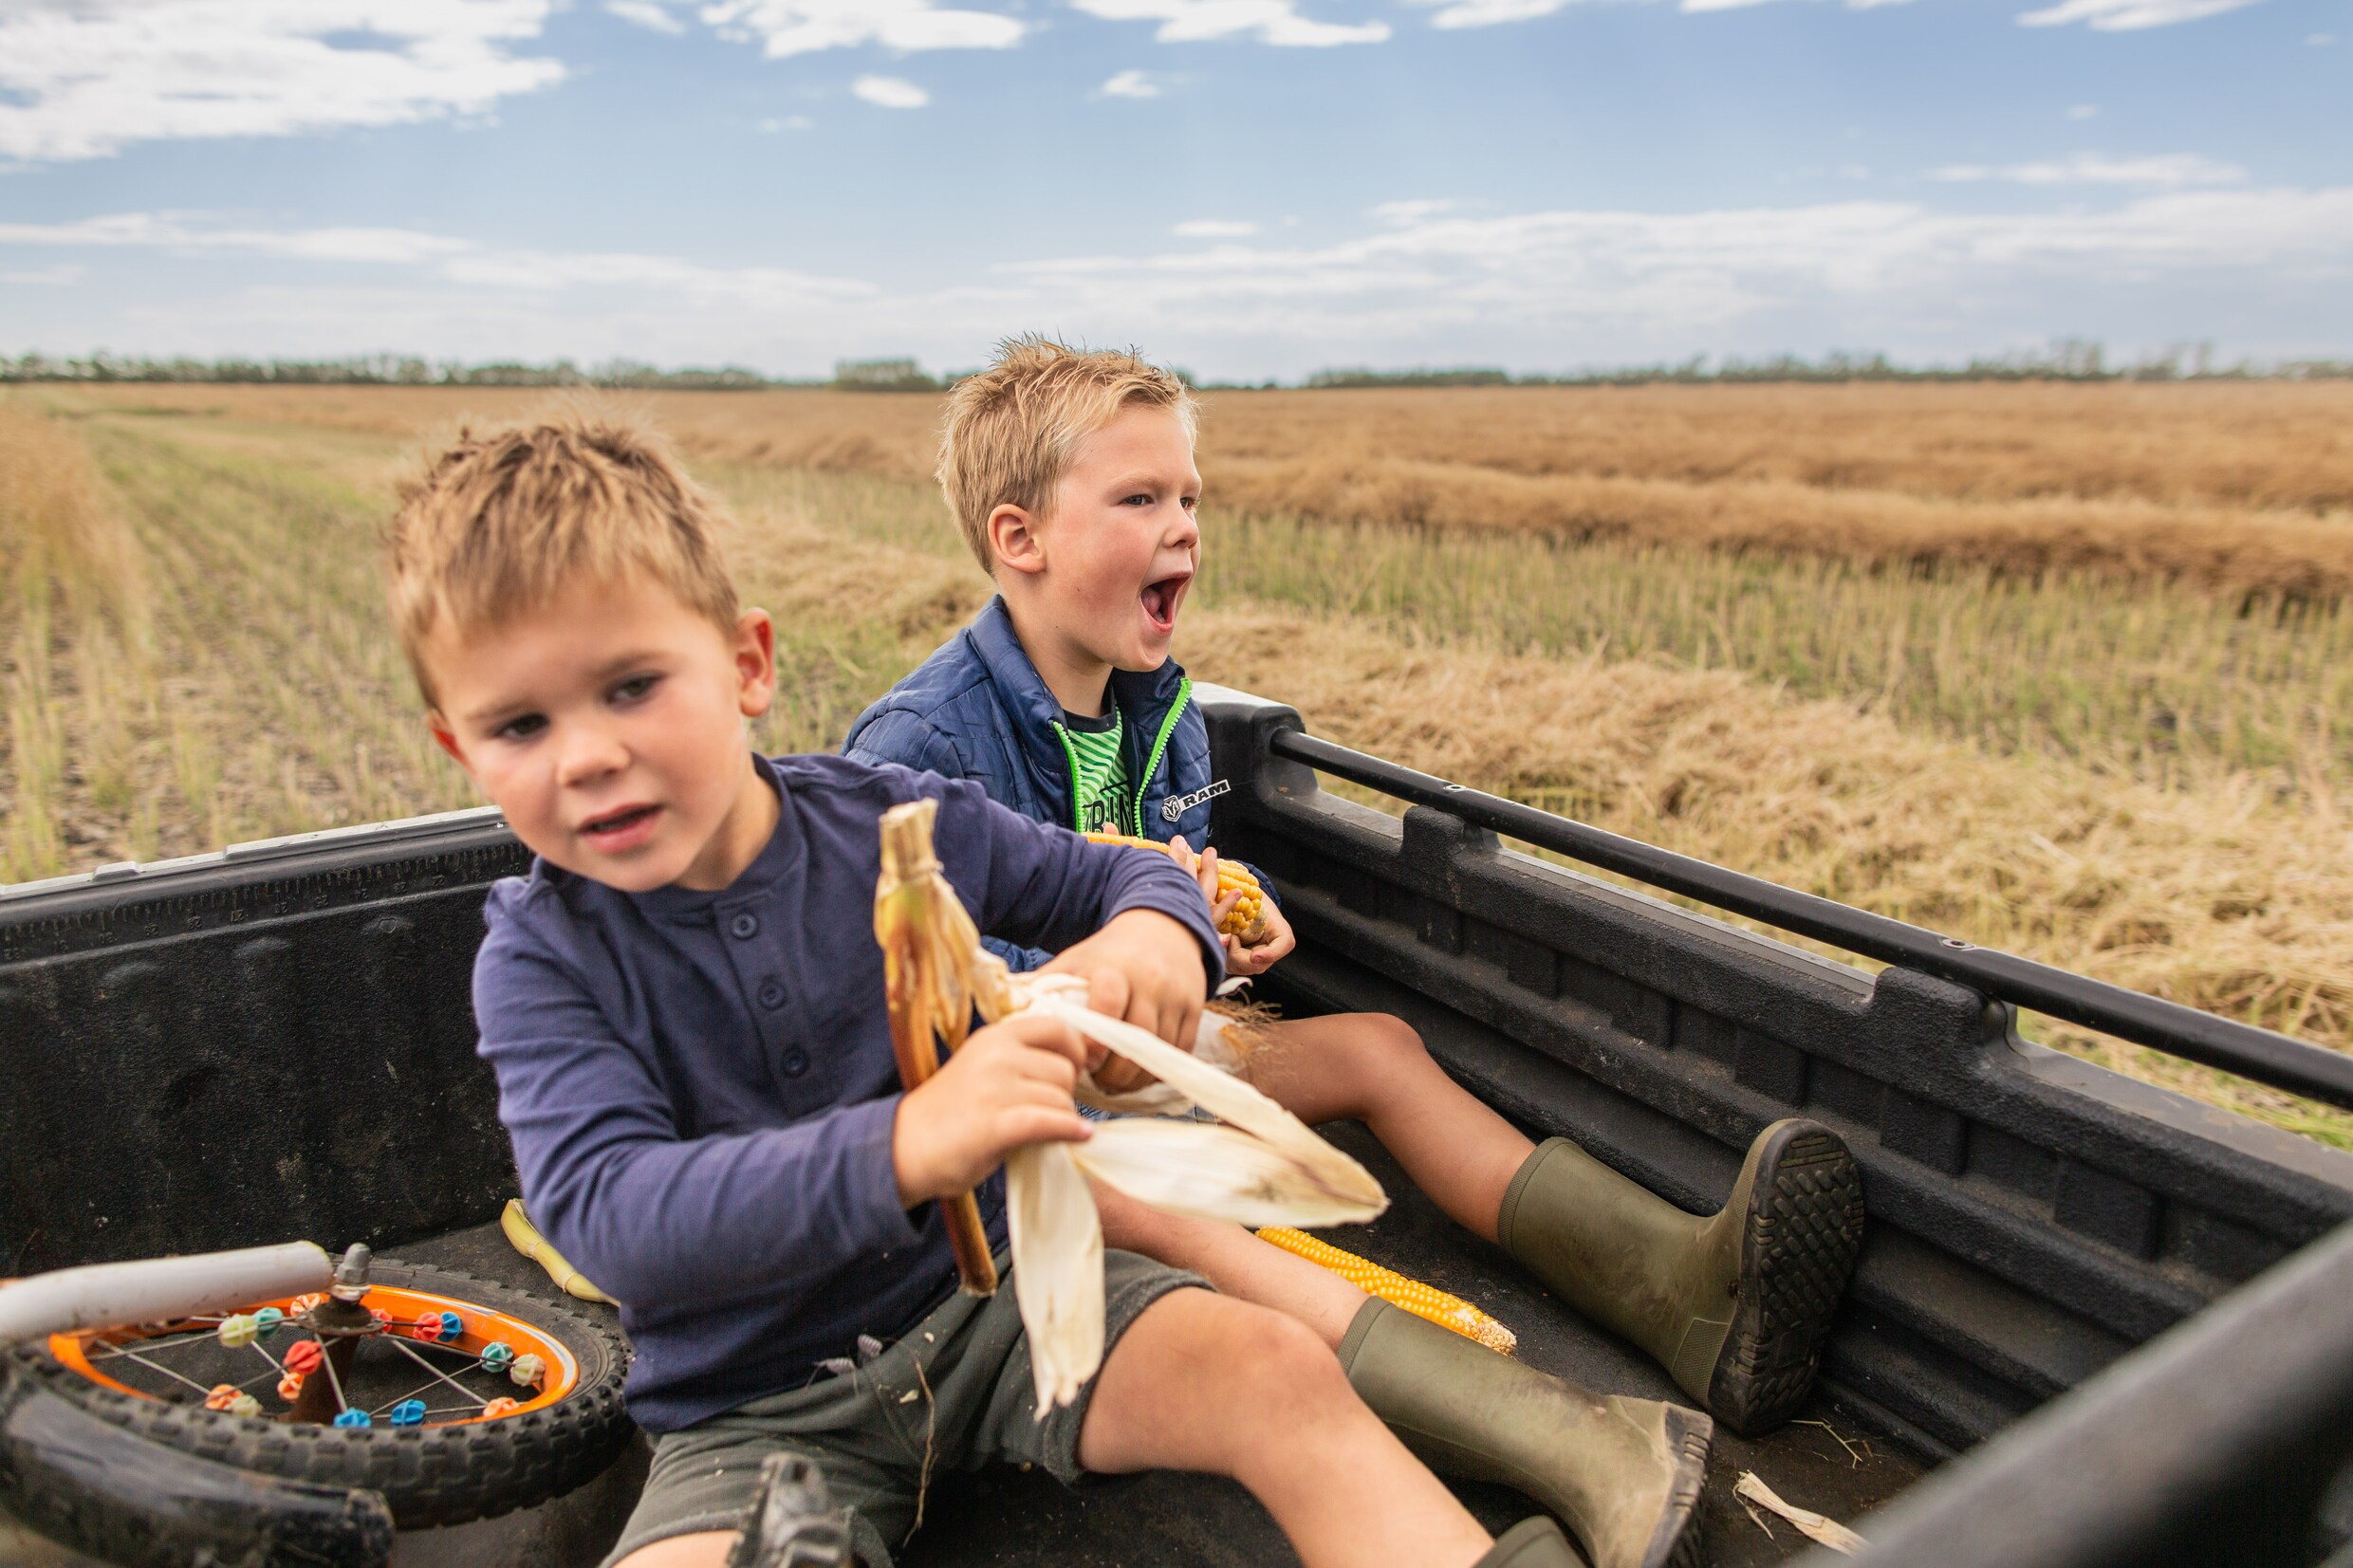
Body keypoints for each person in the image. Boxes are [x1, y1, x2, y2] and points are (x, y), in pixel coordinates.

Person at [386, 412, 1587, 1568]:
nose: (587, 753)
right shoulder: (540, 962)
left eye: (632, 687)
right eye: (521, 725)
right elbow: (613, 1218)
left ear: (746, 664)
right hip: (751, 1419)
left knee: (1274, 1370)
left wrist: (1159, 941)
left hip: (1001, 1304)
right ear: (458, 746)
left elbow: (1103, 879)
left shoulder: (885, 821)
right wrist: (910, 1141)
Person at [845, 338, 1869, 1568]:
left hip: (1168, 1051)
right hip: (1029, 1122)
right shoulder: (918, 746)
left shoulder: (1153, 702)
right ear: (1021, 540)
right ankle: (1581, 1440)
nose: (1183, 529)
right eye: (1139, 499)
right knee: (1189, 1224)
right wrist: (1116, 972)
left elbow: (1190, 868)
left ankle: (1683, 1288)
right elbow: (916, 1002)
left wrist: (1240, 910)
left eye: (1189, 499)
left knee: (1380, 1048)